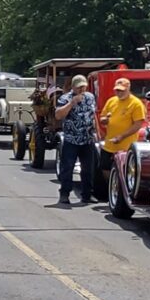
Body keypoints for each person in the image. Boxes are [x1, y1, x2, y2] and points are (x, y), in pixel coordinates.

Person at [54, 74, 98, 205]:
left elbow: (93, 113)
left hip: (87, 139)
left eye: (84, 87)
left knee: (88, 168)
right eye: (79, 87)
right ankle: (64, 194)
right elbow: (58, 115)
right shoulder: (65, 98)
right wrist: (71, 103)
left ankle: (87, 194)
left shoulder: (90, 97)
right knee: (67, 167)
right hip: (71, 139)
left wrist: (95, 128)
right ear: (73, 87)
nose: (82, 90)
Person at [98, 76, 148, 181]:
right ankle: (110, 188)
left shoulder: (136, 103)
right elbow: (102, 117)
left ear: (128, 89)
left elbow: (138, 125)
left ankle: (121, 190)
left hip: (126, 146)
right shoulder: (111, 101)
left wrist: (121, 136)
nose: (119, 92)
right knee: (104, 167)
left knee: (124, 171)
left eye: (121, 90)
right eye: (117, 90)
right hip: (109, 143)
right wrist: (104, 120)